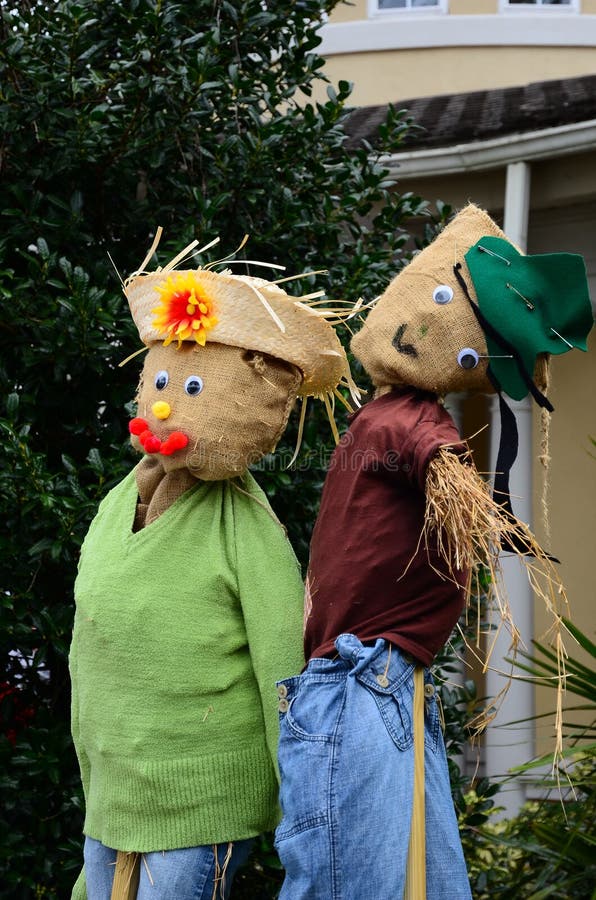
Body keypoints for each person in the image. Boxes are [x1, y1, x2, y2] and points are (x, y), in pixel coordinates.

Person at [274, 204, 593, 900]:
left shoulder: (374, 419)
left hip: (383, 683)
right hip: (360, 685)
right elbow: (442, 469)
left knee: (429, 885)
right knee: (348, 888)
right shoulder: (404, 421)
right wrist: (480, 511)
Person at [69, 233, 352, 900]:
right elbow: (91, 638)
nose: (164, 402)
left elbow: (281, 665)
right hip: (113, 791)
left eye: (190, 387)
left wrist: (303, 805)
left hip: (201, 804)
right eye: (161, 382)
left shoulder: (243, 527)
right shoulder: (118, 503)